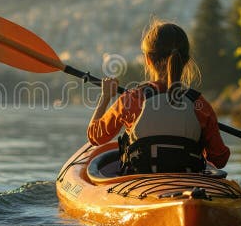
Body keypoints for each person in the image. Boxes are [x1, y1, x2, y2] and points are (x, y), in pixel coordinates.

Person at [87, 19, 230, 174]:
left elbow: (95, 136)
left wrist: (106, 96)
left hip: (139, 184)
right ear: (186, 61)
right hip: (190, 184)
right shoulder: (199, 105)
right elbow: (219, 159)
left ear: (148, 60)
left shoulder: (132, 99)